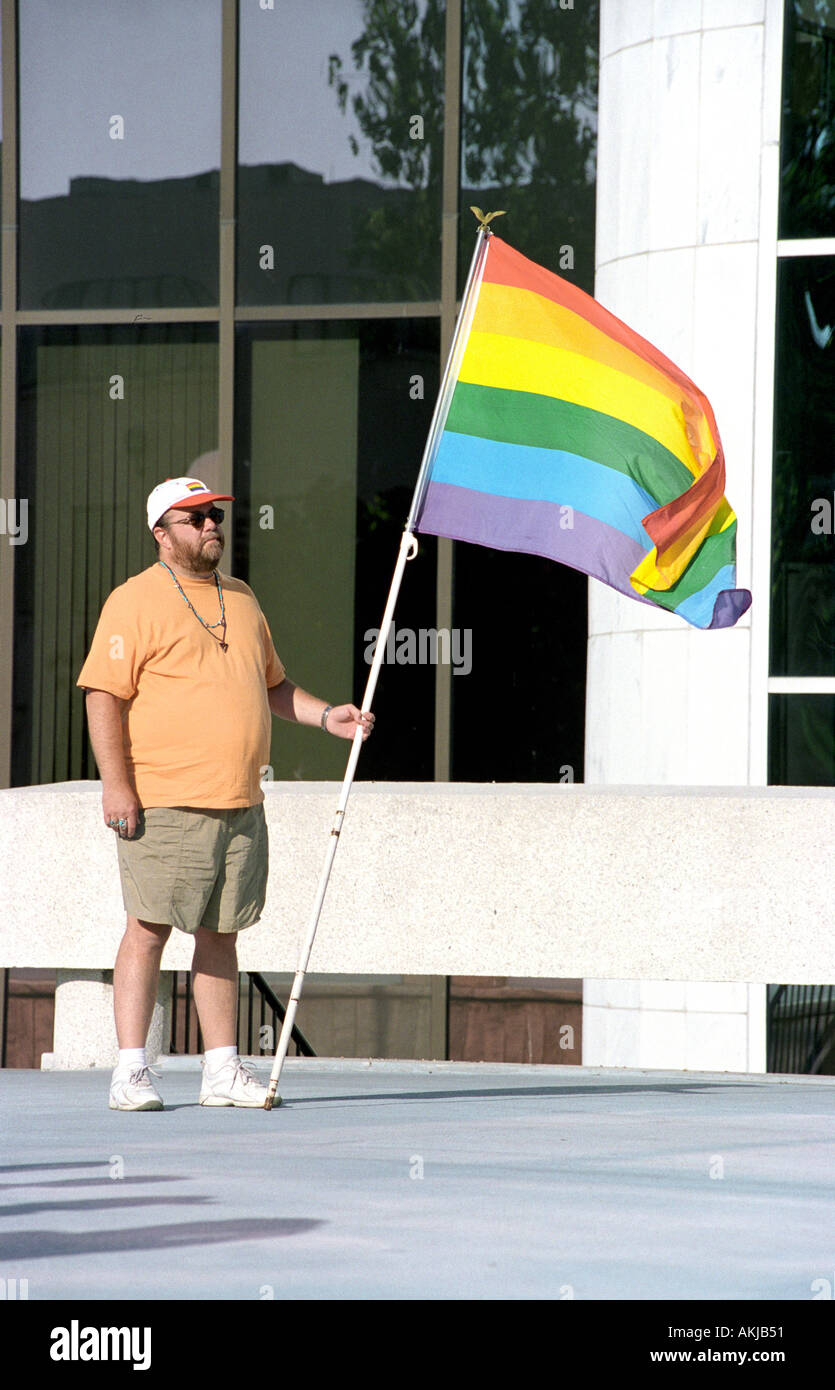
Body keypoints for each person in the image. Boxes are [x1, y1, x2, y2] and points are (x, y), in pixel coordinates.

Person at [76, 475, 374, 1112]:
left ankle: (221, 1070)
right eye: (196, 518)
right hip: (163, 798)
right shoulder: (133, 600)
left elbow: (273, 686)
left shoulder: (240, 598)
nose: (212, 526)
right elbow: (103, 694)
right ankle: (130, 1071)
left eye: (215, 515)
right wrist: (117, 787)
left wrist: (329, 718)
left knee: (221, 934)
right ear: (162, 534)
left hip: (240, 799)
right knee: (148, 929)